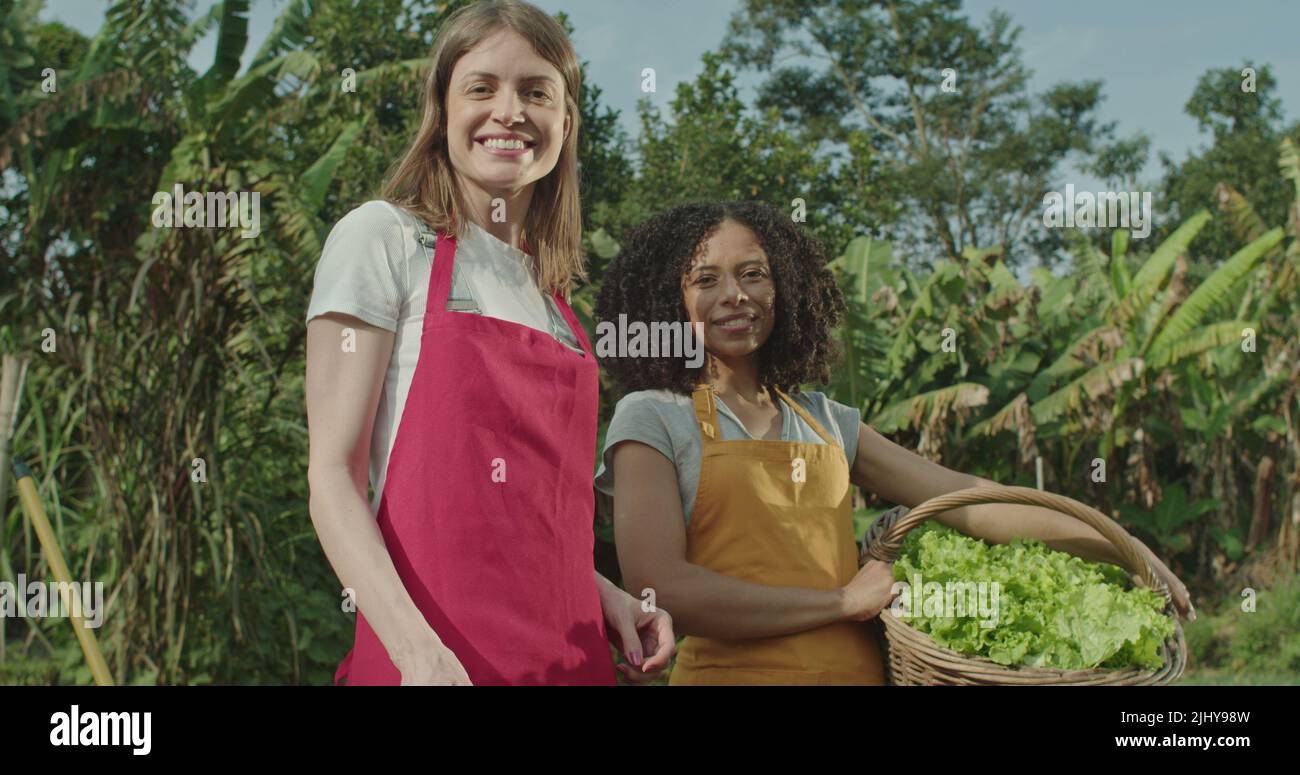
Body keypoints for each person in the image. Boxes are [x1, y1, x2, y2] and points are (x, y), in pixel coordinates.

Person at [594, 201, 1192, 685]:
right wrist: (841, 603)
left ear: (785, 289)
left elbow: (971, 498)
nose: (735, 294)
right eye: (706, 279)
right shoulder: (653, 418)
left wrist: (1126, 548)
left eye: (754, 273)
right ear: (668, 301)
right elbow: (662, 587)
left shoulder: (829, 421)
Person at [305, 0, 673, 686]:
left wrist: (605, 596)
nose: (510, 111)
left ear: (565, 122)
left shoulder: (556, 302)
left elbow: (526, 520)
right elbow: (332, 477)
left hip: (570, 661)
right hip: (433, 664)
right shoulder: (383, 239)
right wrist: (419, 655)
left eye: (537, 91)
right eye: (482, 87)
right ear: (443, 113)